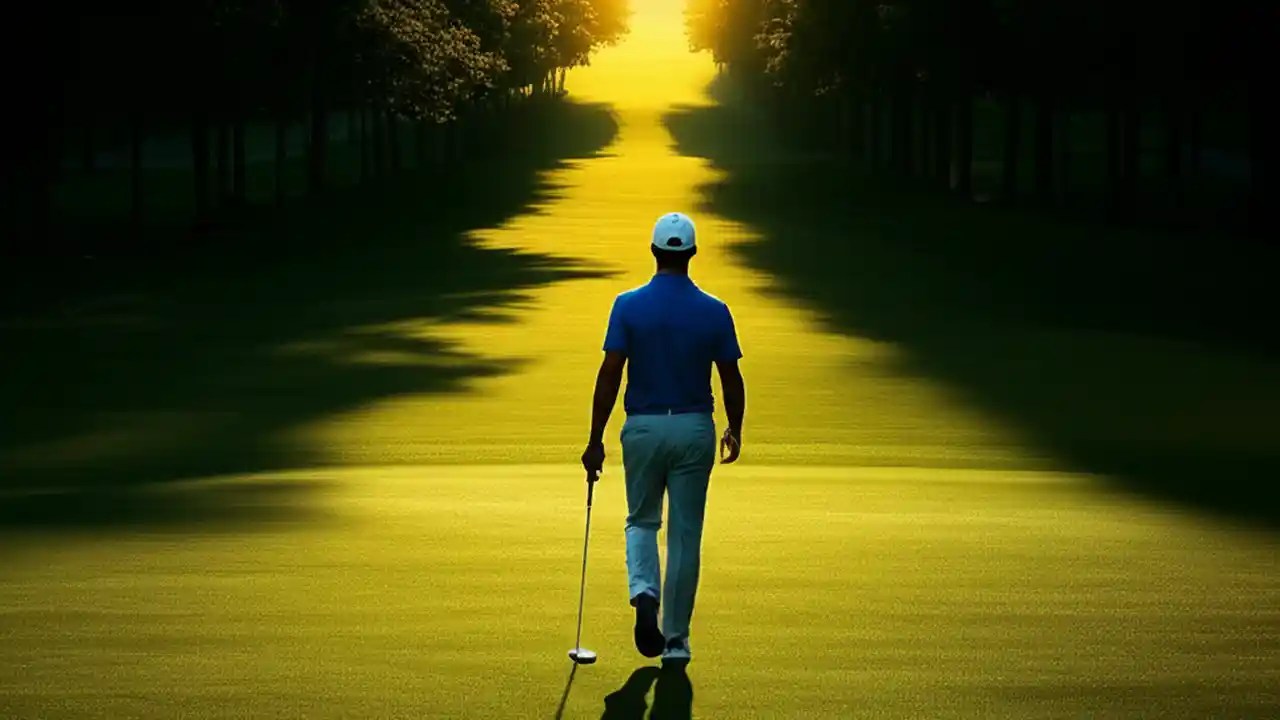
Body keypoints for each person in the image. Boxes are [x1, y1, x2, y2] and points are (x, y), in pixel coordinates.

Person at [581, 211, 747, 665]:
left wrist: (595, 439)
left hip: (643, 428)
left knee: (641, 520)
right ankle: (675, 641)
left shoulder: (627, 305)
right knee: (685, 535)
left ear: (654, 251)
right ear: (692, 254)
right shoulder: (714, 310)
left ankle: (644, 594)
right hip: (693, 427)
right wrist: (735, 428)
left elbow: (610, 373)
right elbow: (730, 377)